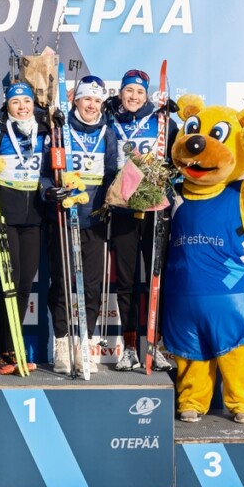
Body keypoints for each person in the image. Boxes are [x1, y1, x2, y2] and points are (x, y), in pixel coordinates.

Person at [41, 75, 119, 374]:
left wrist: (118, 197)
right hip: (63, 216)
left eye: (98, 100)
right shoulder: (59, 131)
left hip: (95, 219)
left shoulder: (107, 134)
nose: (92, 105)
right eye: (87, 99)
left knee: (92, 286)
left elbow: (112, 173)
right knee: (62, 285)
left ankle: (84, 344)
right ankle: (62, 344)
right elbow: (45, 173)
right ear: (76, 100)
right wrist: (49, 192)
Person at [104, 68, 178, 371]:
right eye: (129, 90)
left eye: (139, 92)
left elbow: (179, 161)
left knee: (156, 280)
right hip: (122, 211)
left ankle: (155, 344)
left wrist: (180, 122)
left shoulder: (163, 122)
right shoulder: (109, 120)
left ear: (147, 95)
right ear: (121, 92)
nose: (134, 97)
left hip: (155, 211)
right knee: (126, 282)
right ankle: (130, 347)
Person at [0, 81, 50, 375]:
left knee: (24, 286)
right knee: (10, 285)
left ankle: (14, 348)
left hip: (34, 218)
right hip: (3, 218)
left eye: (26, 101)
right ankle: (2, 354)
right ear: (6, 106)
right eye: (15, 102)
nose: (22, 107)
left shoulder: (47, 134)